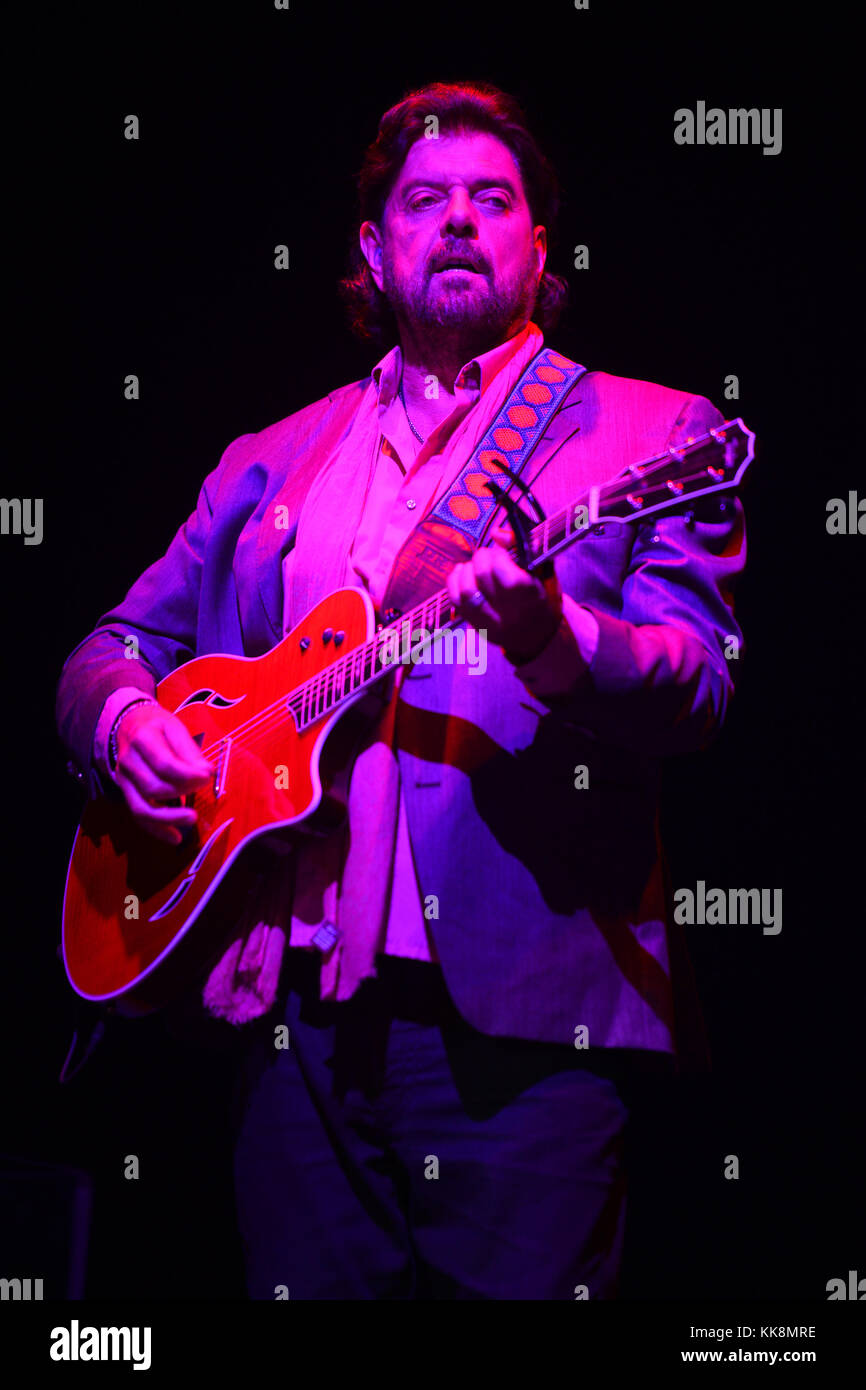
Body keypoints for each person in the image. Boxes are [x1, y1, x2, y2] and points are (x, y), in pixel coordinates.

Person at [55, 80, 746, 1300]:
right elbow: (111, 645)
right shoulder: (270, 453)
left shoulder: (647, 433)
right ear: (373, 251)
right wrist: (125, 721)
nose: (460, 220)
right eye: (424, 202)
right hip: (288, 1024)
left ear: (540, 243)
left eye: (493, 198)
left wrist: (558, 638)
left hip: (525, 1030)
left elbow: (695, 686)